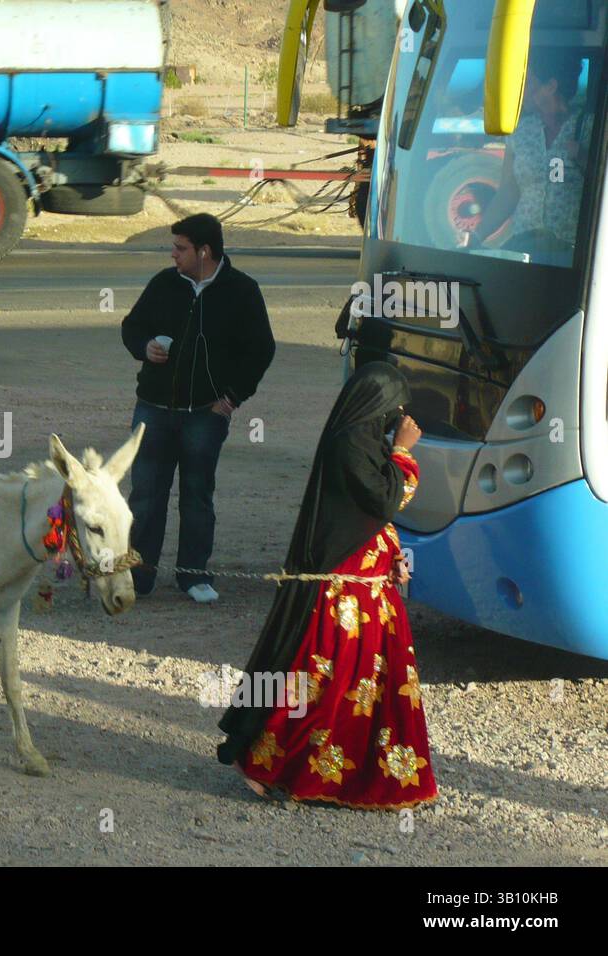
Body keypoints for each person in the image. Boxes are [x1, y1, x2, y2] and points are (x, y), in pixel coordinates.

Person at [216, 361, 436, 810]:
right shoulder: (350, 443)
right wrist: (404, 451)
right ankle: (267, 765)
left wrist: (393, 554)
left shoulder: (363, 439)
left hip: (371, 592)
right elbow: (386, 499)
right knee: (326, 687)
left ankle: (354, 779)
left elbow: (368, 518)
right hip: (343, 597)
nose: (400, 418)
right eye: (394, 409)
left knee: (364, 692)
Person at [120, 213, 275, 603]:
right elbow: (131, 325)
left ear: (204, 251)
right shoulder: (163, 284)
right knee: (146, 494)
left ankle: (193, 576)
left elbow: (261, 350)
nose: (173, 254)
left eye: (180, 247)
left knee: (196, 495)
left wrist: (232, 398)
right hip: (153, 410)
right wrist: (144, 347)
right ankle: (138, 577)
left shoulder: (242, 291)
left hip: (206, 415)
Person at [464, 48, 589, 264]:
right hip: (524, 252)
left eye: (528, 82)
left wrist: (584, 157)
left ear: (550, 86)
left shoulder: (590, 127)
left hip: (574, 257)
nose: (521, 90)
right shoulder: (521, 131)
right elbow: (508, 193)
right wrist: (476, 237)